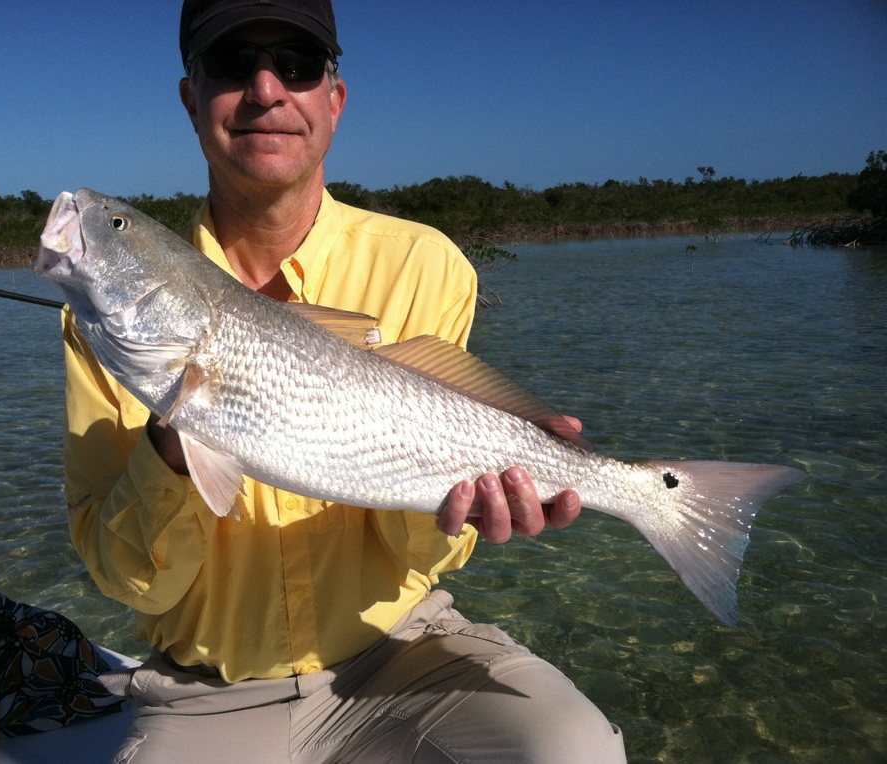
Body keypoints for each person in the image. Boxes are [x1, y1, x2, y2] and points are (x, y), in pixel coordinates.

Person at [61, 1, 627, 761]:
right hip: (206, 692)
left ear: (335, 97)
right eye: (232, 64)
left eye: (297, 63)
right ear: (192, 97)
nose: (266, 89)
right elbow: (127, 583)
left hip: (403, 653)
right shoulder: (100, 320)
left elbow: (418, 545)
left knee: (572, 747)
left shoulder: (424, 264)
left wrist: (467, 511)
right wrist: (172, 440)